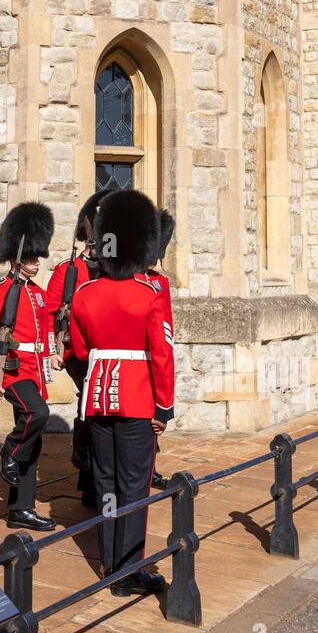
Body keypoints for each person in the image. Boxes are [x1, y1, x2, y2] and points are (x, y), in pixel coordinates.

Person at [69, 189, 175, 595]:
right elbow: (161, 356)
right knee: (134, 485)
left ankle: (109, 561)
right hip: (135, 399)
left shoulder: (84, 294)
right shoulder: (148, 296)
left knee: (106, 483)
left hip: (96, 399)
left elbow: (79, 350)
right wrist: (163, 407)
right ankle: (128, 571)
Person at [0, 201, 58, 533]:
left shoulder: (38, 293)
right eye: (32, 257)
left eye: (38, 258)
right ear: (15, 257)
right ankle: (8, 451)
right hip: (13, 370)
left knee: (34, 441)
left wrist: (53, 353)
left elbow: (46, 329)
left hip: (35, 370)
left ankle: (21, 508)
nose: (36, 264)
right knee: (38, 415)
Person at [46, 189, 113, 508]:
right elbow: (52, 312)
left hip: (109, 350)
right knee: (91, 407)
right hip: (79, 352)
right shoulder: (68, 271)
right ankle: (86, 466)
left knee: (103, 411)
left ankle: (95, 477)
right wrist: (54, 350)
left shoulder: (114, 269)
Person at [148, 209, 175, 491]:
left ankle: (150, 468)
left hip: (151, 357)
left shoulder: (158, 281)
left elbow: (164, 329)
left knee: (151, 421)